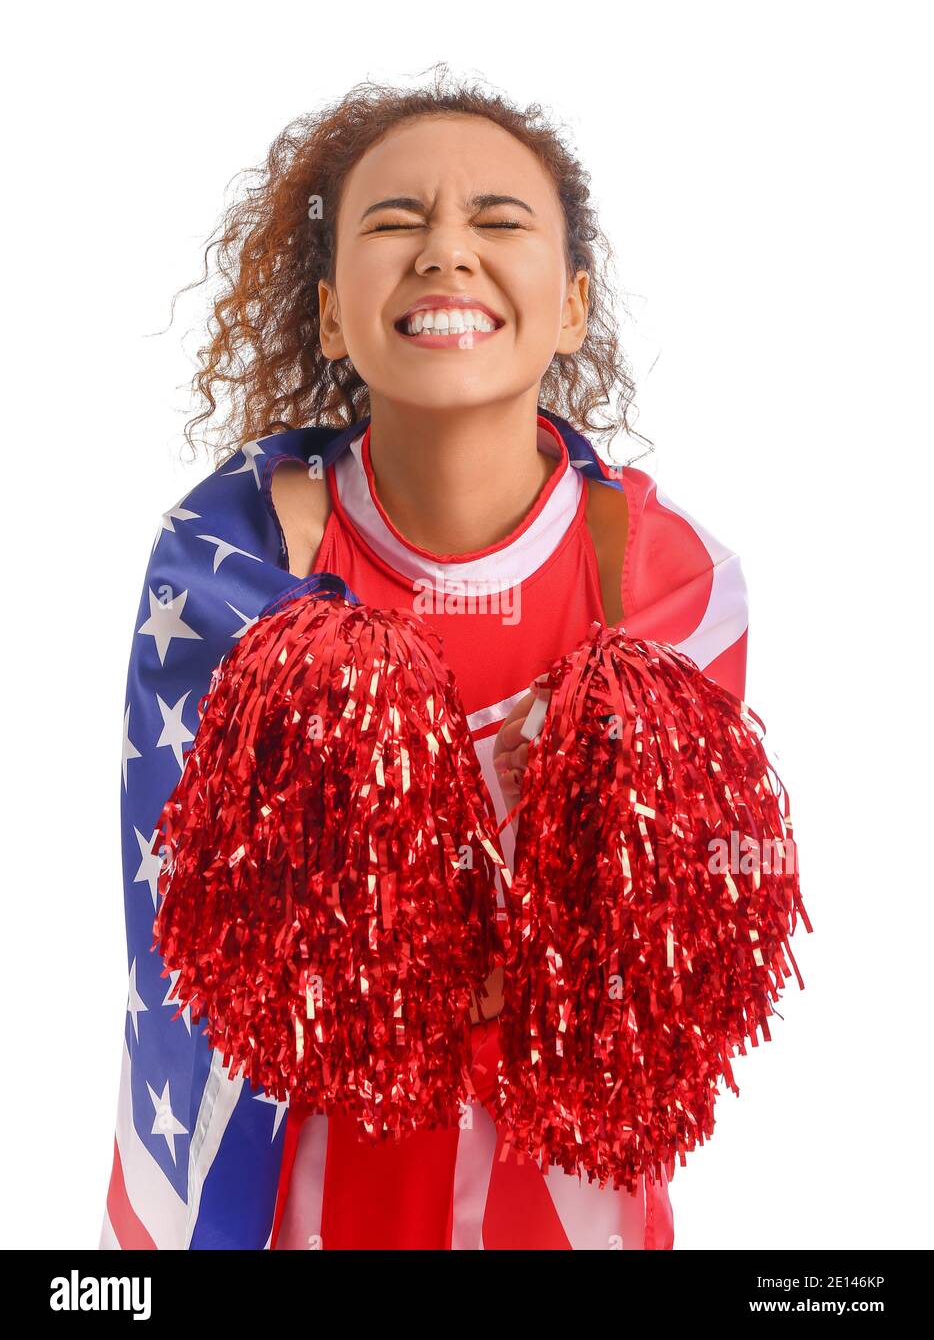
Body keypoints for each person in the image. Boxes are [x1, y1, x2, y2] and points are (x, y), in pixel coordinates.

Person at [101, 69, 748, 1251]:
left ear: (570, 306)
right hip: (298, 1207)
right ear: (332, 315)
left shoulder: (669, 583)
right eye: (394, 222)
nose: (447, 252)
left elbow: (669, 975)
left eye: (499, 222)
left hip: (560, 1210)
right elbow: (224, 943)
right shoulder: (224, 569)